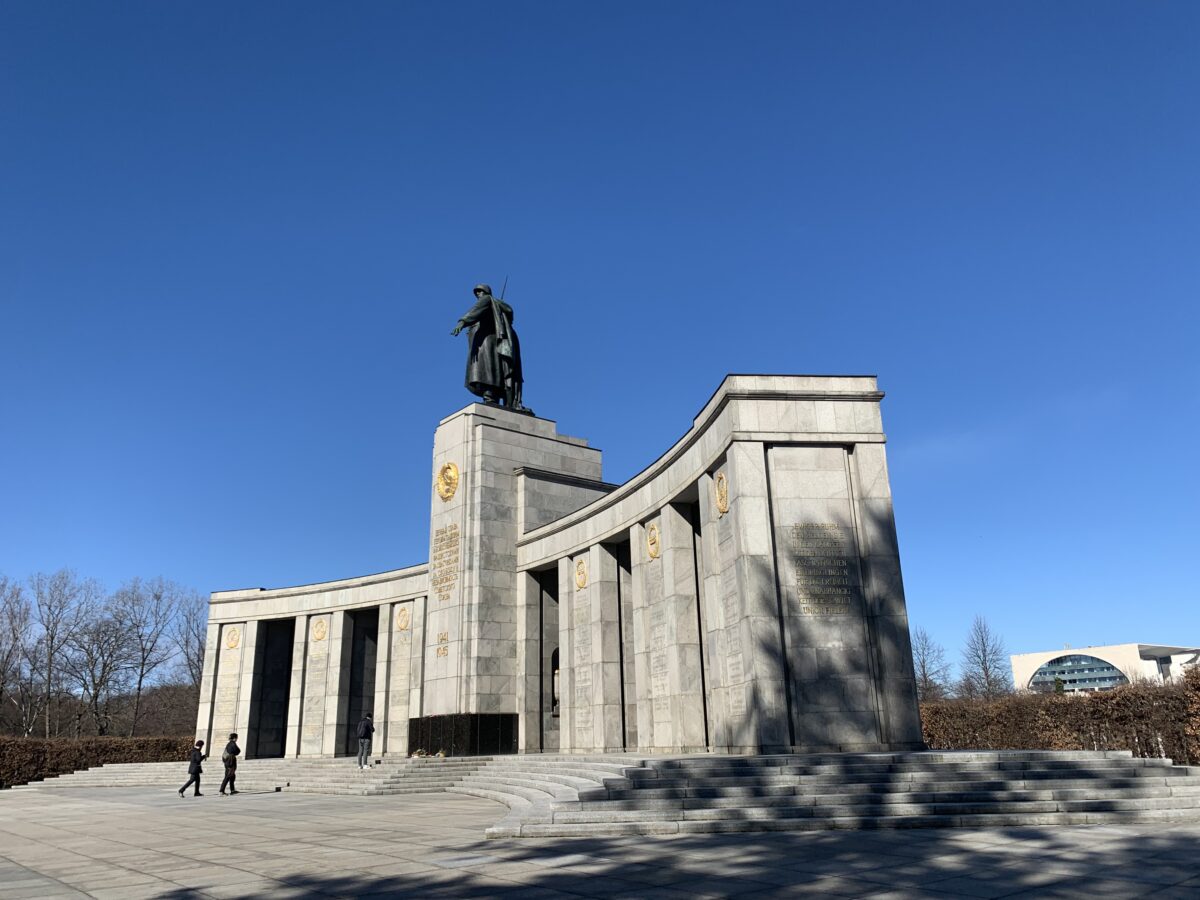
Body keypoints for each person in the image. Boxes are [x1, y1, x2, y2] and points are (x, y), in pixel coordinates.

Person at [451, 284, 529, 412]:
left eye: (480, 291)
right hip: (494, 343)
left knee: (489, 370)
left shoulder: (487, 300)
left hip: (488, 343)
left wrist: (462, 322)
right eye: (477, 293)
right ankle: (493, 397)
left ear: (486, 292)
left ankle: (490, 396)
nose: (478, 295)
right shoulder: (497, 306)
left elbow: (475, 310)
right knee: (496, 370)